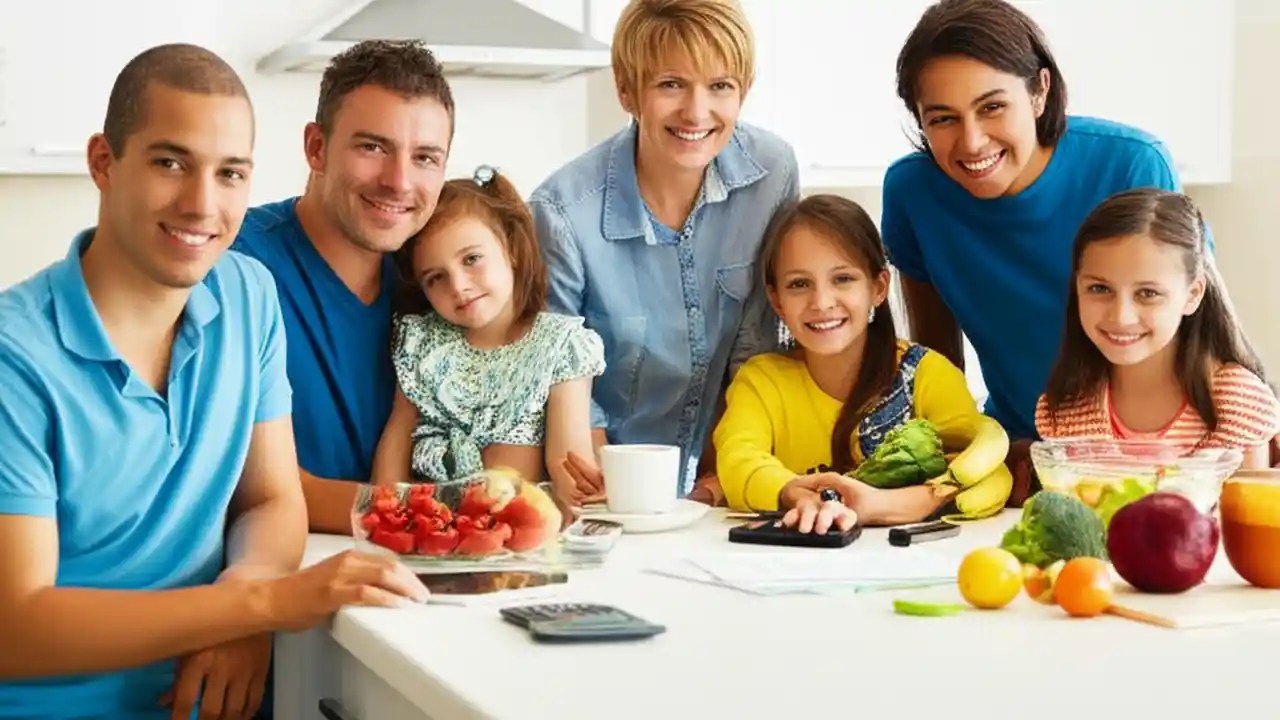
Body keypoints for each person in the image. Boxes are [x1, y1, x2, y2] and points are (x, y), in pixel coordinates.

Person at [0, 44, 428, 720]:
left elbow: (270, 497)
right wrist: (256, 605)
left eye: (230, 173)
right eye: (170, 163)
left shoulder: (248, 294)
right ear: (104, 163)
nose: (202, 204)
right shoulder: (14, 355)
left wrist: (247, 595)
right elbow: (13, 628)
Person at [881, 0, 1205, 503]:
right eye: (943, 118)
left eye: (992, 107)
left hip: (1143, 461)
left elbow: (1201, 326)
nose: (972, 142)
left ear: (1039, 91)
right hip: (1018, 457)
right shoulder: (912, 193)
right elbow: (938, 359)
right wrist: (967, 451)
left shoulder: (1132, 164)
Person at [529, 0, 800, 501]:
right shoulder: (562, 212)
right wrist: (616, 496)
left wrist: (723, 480)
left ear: (744, 89)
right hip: (605, 482)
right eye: (671, 84)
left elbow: (756, 349)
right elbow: (563, 379)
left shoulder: (772, 174)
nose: (696, 112)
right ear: (626, 89)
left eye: (720, 86)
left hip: (731, 472)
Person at [232, 40, 455, 534]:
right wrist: (442, 515)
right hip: (285, 566)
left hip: (423, 564)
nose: (399, 181)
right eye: (373, 147)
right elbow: (249, 484)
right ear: (317, 148)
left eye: (425, 157)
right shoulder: (234, 266)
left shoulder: (438, 283)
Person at [714, 195, 1011, 534]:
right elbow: (739, 459)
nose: (821, 302)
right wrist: (792, 493)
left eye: (842, 278)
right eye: (799, 284)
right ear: (777, 301)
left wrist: (877, 505)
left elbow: (975, 466)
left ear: (878, 287)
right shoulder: (760, 381)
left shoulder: (927, 374)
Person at [370, 166, 604, 507]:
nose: (458, 286)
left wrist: (585, 488)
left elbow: (568, 459)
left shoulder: (561, 345)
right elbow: (398, 435)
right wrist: (385, 509)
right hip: (433, 525)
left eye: (472, 259)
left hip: (520, 525)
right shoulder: (420, 342)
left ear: (510, 247)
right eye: (436, 278)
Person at [1036, 188, 1279, 467]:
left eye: (1148, 293)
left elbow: (1248, 496)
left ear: (1192, 295)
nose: (1121, 316)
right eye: (1100, 288)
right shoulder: (1065, 413)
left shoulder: (1237, 405)